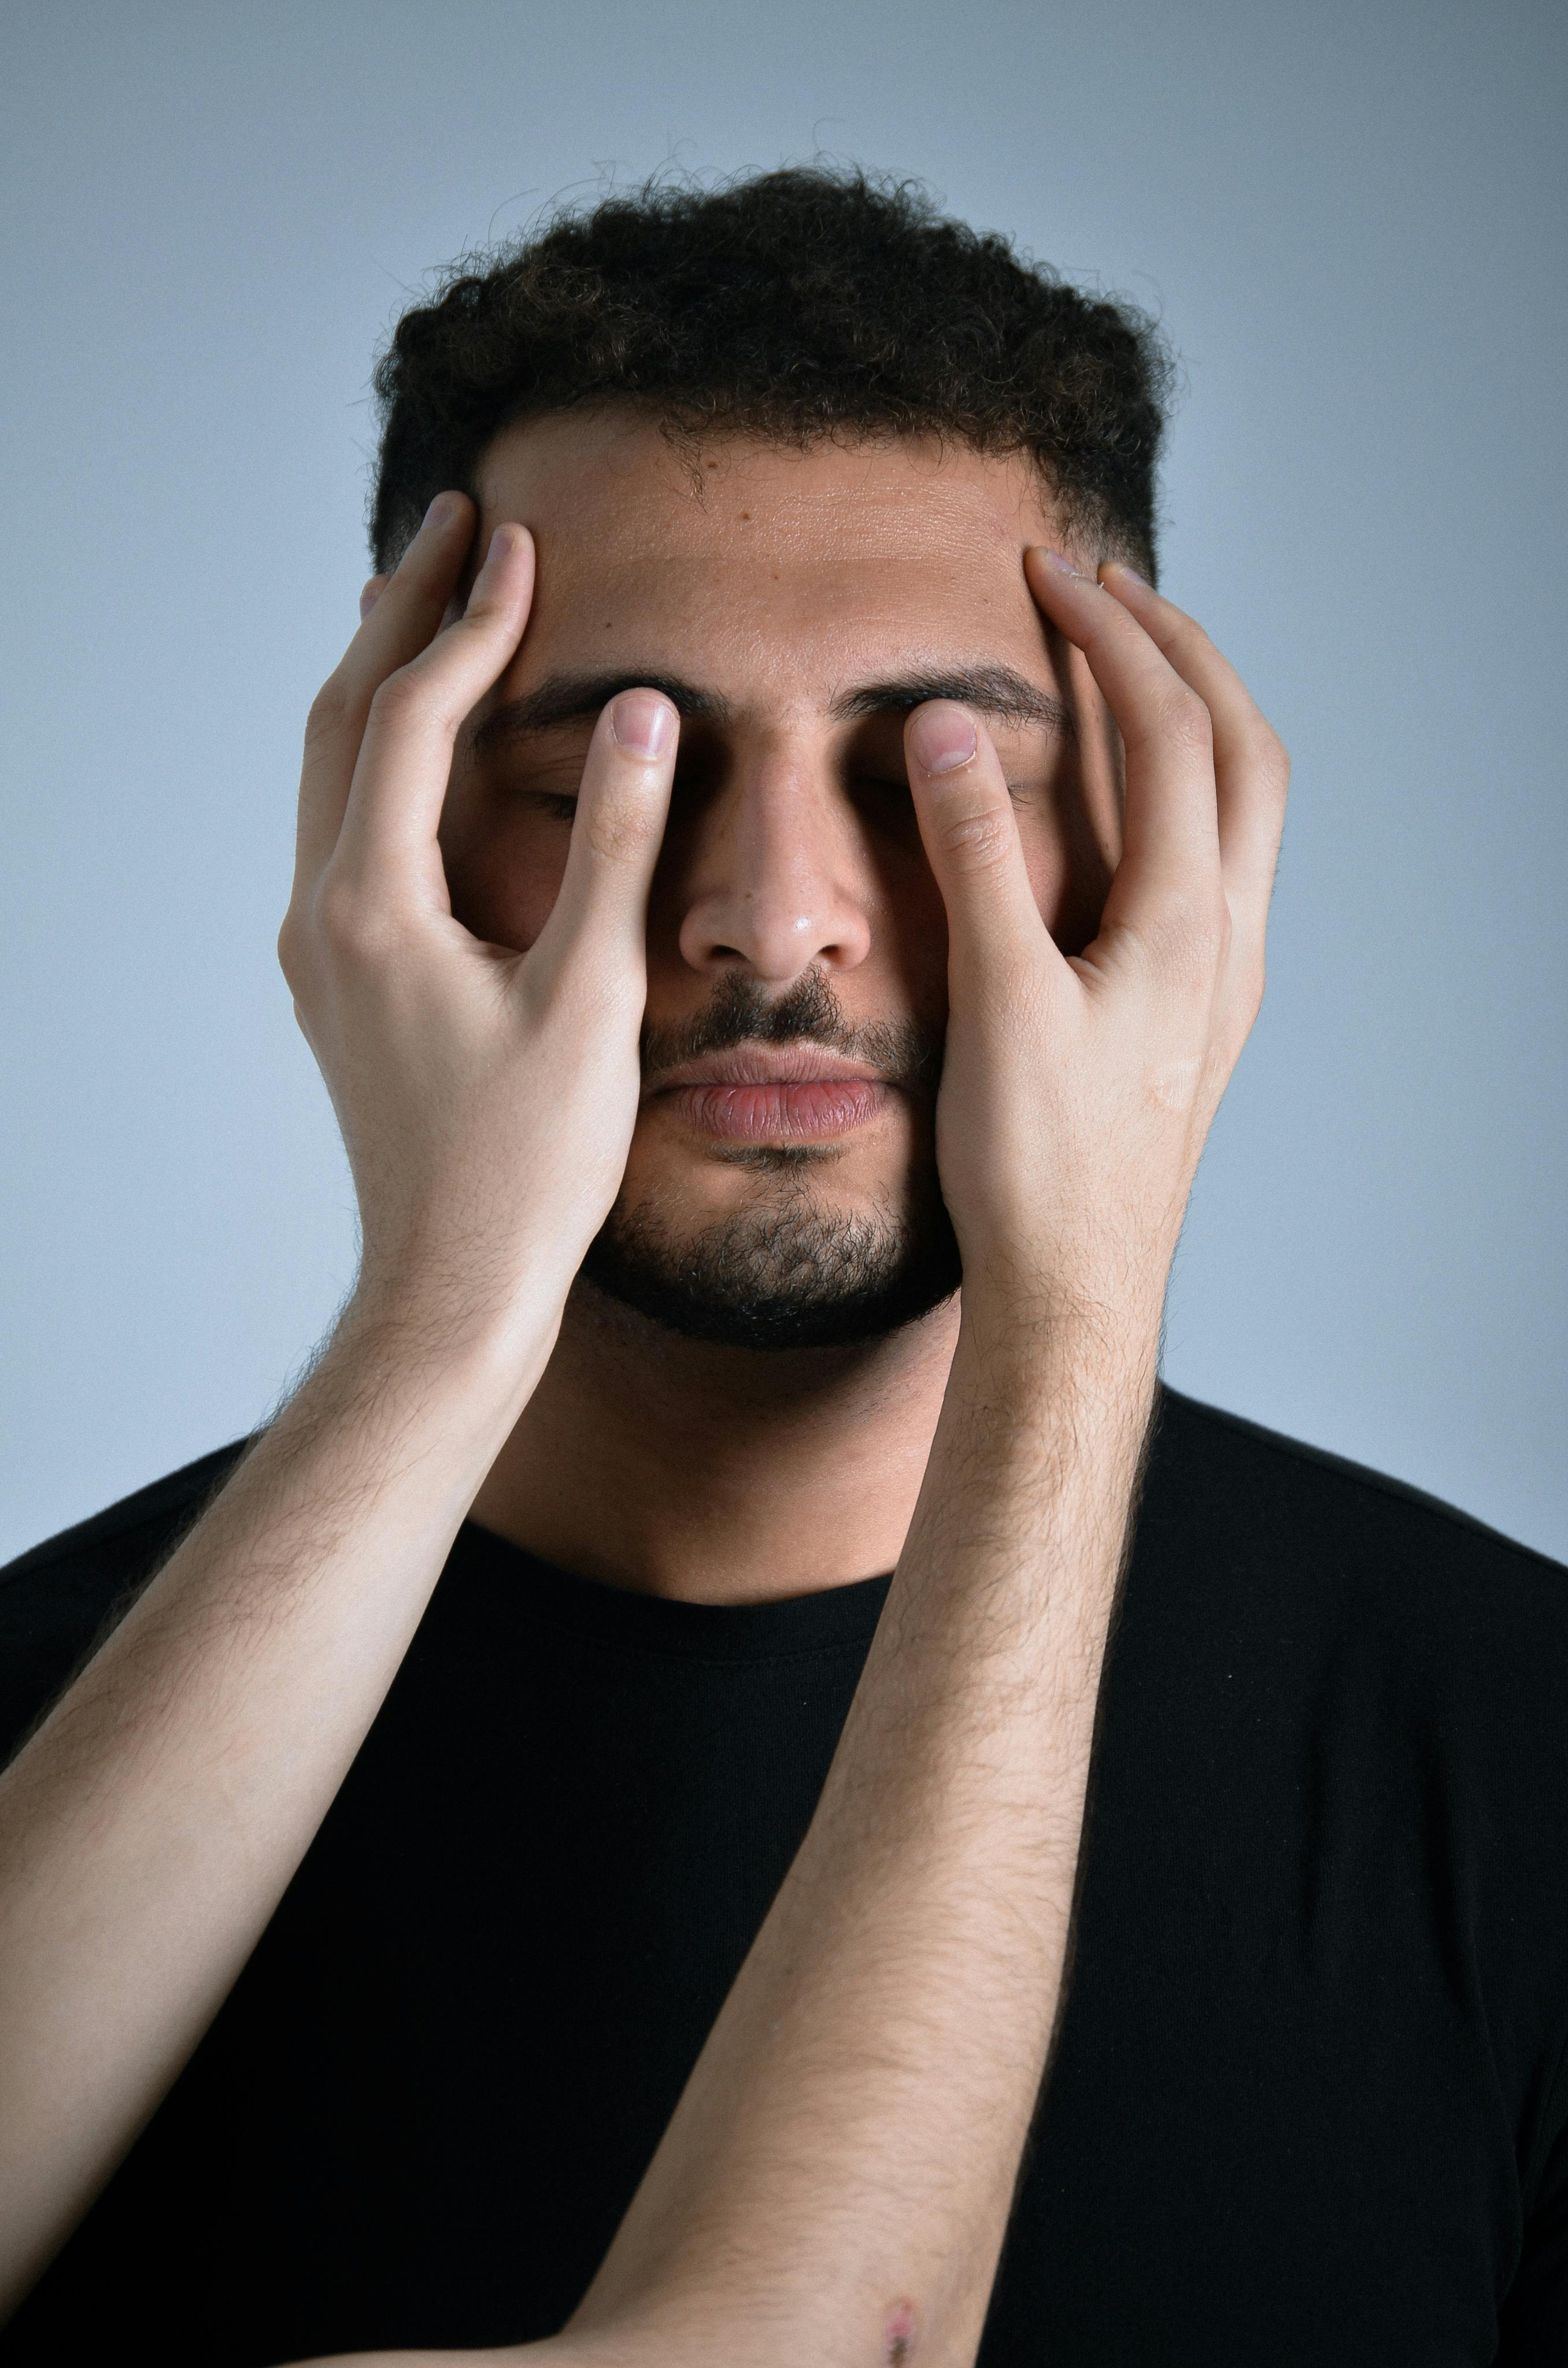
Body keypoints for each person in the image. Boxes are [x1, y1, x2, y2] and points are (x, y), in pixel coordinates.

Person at [0, 168, 1562, 2367]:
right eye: (608, 774)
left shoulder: (1510, 1752)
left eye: (947, 775)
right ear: (402, 834)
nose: (774, 918)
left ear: (1152, 835)